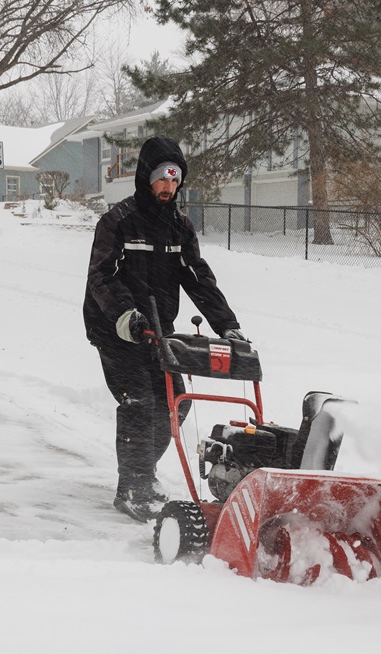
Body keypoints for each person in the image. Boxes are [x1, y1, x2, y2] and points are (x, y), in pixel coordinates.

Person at [83, 136, 246, 522]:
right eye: (161, 178)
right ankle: (133, 488)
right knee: (139, 400)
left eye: (175, 180)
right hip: (115, 328)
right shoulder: (118, 221)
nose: (168, 187)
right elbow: (101, 275)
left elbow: (199, 280)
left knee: (177, 403)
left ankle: (143, 473)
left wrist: (229, 327)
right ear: (145, 177)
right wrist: (126, 316)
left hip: (157, 330)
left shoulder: (179, 227)